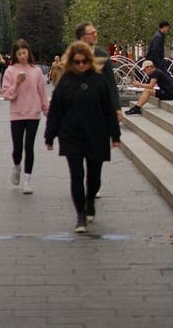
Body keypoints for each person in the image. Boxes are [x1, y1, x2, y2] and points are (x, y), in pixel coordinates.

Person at [45, 41, 121, 232]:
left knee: (94, 177)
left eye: (84, 61)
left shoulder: (99, 81)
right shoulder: (66, 81)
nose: (80, 65)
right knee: (76, 175)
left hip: (96, 133)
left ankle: (90, 200)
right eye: (77, 62)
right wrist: (50, 135)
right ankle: (80, 214)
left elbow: (108, 109)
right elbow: (56, 110)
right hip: (72, 135)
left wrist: (115, 134)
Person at [2, 38, 49, 194]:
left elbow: (42, 92)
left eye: (24, 52)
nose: (22, 56)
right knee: (17, 148)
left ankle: (27, 181)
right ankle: (17, 166)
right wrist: (17, 83)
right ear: (15, 55)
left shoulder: (36, 71)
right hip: (17, 113)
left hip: (33, 113)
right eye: (19, 54)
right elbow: (6, 94)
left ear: (28, 52)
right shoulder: (10, 71)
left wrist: (46, 110)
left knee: (29, 146)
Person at [75, 22, 123, 122]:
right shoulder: (72, 56)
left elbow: (111, 83)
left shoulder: (102, 55)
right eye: (92, 33)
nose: (95, 35)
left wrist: (117, 108)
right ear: (82, 37)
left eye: (95, 32)